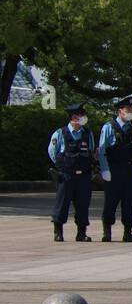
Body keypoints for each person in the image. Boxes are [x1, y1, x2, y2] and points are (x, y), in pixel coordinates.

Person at [98, 95, 132, 242]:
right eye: (127, 109)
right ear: (120, 110)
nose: (130, 112)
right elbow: (102, 150)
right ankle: (107, 230)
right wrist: (104, 169)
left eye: (131, 109)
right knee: (111, 201)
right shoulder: (109, 127)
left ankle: (128, 231)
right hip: (114, 170)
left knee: (130, 202)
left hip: (131, 170)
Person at [47, 102, 97, 243]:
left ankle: (81, 233)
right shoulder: (60, 133)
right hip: (67, 175)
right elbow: (52, 152)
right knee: (62, 204)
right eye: (81, 115)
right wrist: (62, 165)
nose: (83, 117)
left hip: (84, 176)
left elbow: (91, 152)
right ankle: (58, 232)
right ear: (74, 117)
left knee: (83, 204)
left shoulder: (88, 133)